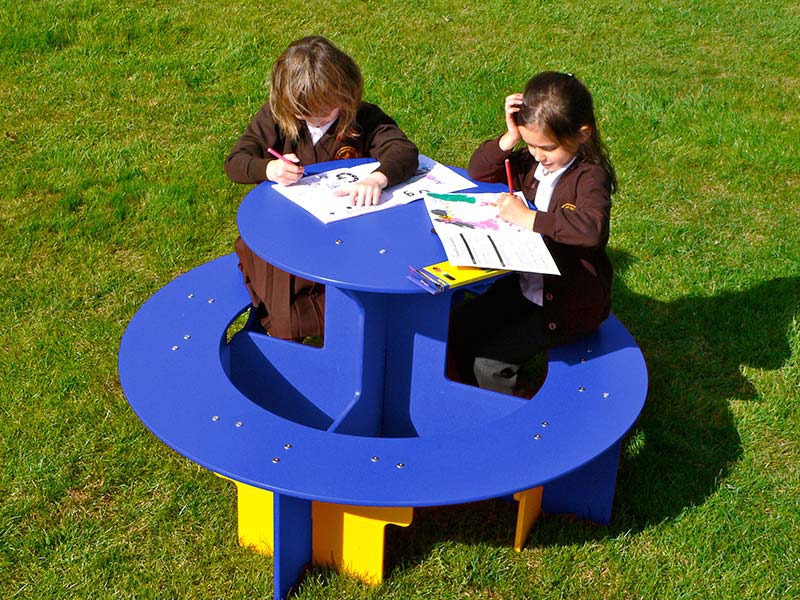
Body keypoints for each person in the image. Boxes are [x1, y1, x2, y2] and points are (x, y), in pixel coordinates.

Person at [225, 36, 419, 341]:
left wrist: (378, 177)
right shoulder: (276, 117)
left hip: (347, 235)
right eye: (305, 113)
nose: (315, 119)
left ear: (346, 93)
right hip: (288, 231)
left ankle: (333, 329)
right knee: (283, 288)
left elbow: (403, 151)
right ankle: (287, 334)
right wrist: (269, 168)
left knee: (353, 291)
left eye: (326, 110)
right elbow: (236, 162)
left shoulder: (363, 118)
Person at [448, 71, 617, 395]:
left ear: (581, 134)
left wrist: (530, 219)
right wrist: (510, 137)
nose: (537, 154)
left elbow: (592, 230)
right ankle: (464, 391)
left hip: (565, 308)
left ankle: (518, 415)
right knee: (453, 326)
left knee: (489, 363)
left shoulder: (589, 176)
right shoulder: (534, 161)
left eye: (547, 147)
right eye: (529, 144)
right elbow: (479, 170)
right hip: (523, 288)